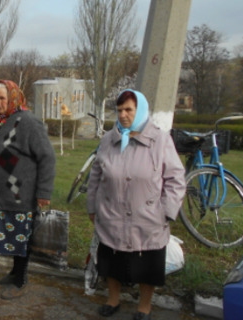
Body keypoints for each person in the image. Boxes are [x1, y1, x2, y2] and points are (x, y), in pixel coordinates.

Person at [86, 89, 186, 320]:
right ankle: (113, 300)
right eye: (119, 110)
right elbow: (95, 177)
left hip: (148, 217)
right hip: (111, 213)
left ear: (140, 110)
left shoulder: (160, 140)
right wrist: (93, 207)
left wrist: (165, 212)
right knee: (111, 261)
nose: (123, 115)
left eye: (129, 109)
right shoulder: (109, 140)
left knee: (147, 265)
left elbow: (176, 178)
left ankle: (144, 306)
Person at [0, 79, 56, 300]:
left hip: (21, 194)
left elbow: (47, 157)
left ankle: (21, 280)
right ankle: (14, 272)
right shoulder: (1, 122)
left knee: (21, 238)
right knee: (12, 236)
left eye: (2, 98)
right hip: (3, 195)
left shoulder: (28, 122)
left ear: (13, 97)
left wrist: (44, 192)